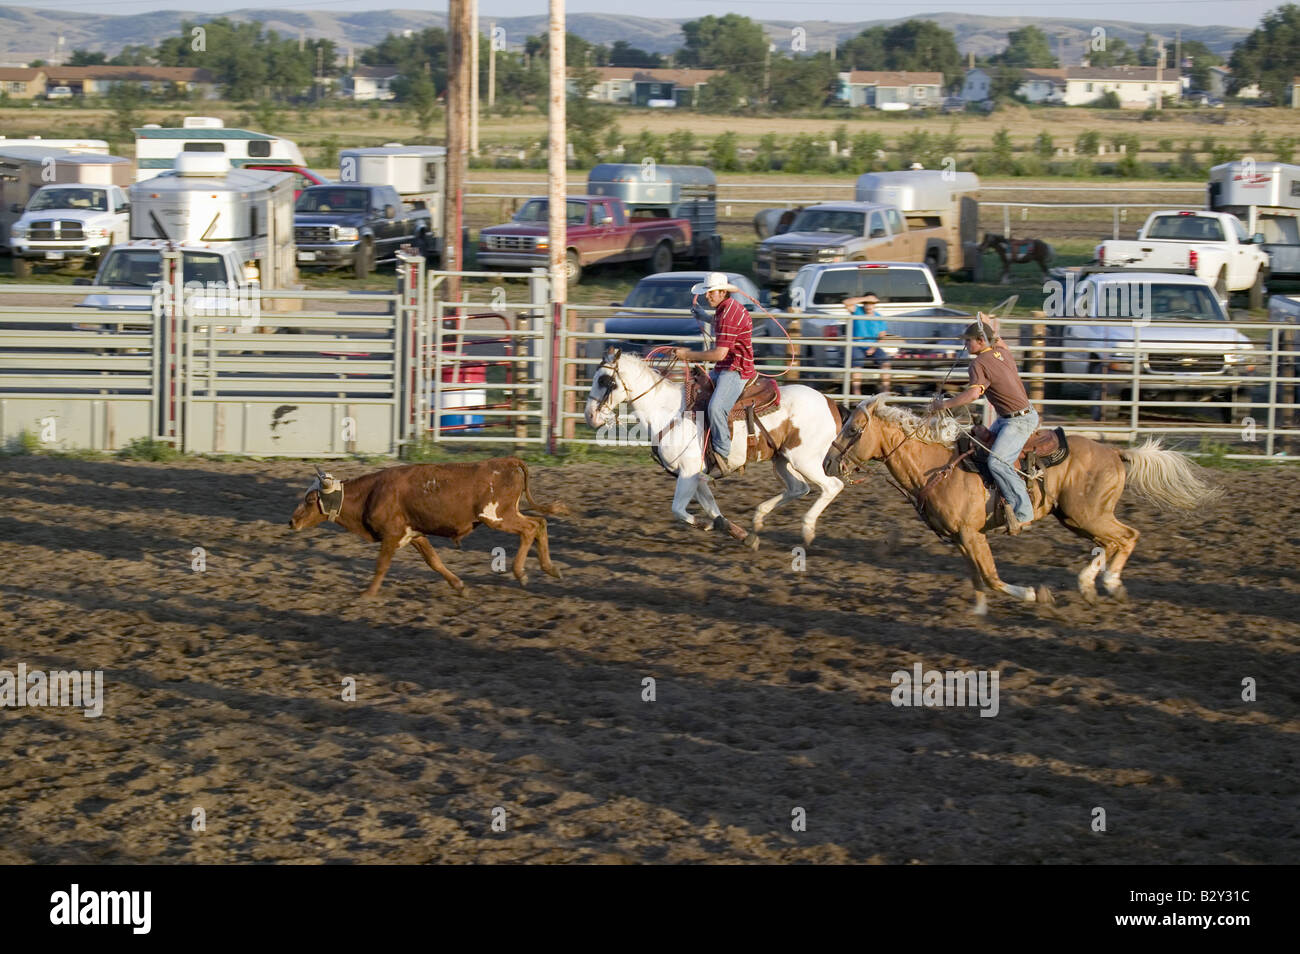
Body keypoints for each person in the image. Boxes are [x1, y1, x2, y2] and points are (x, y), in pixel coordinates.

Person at [927, 314, 1038, 534]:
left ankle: (1024, 512)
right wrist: (988, 328)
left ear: (980, 341)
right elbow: (998, 342)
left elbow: (973, 394)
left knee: (998, 462)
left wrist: (945, 405)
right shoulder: (1002, 353)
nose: (965, 344)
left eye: (968, 340)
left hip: (1017, 421)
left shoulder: (978, 364)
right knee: (977, 445)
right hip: (1014, 417)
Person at [674, 272, 756, 477]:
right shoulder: (725, 309)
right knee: (696, 394)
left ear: (722, 292)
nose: (707, 297)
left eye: (711, 293)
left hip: (736, 369)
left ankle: (722, 454)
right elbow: (722, 325)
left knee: (716, 407)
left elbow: (719, 354)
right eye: (706, 293)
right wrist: (704, 316)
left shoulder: (729, 313)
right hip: (726, 367)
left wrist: (688, 354)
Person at [841, 293, 893, 396]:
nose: (869, 306)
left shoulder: (879, 317)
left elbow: (882, 336)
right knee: (857, 365)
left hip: (873, 346)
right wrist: (865, 298)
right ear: (863, 303)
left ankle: (886, 393)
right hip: (857, 346)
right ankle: (857, 395)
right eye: (867, 303)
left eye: (872, 303)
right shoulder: (857, 311)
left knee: (885, 363)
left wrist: (873, 348)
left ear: (875, 304)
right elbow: (845, 302)